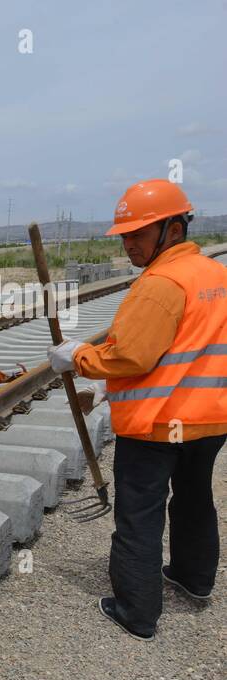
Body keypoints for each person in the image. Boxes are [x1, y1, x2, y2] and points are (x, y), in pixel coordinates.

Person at [49, 180, 226, 640]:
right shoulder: (214, 275)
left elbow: (131, 356)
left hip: (156, 426)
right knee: (193, 499)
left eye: (139, 234)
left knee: (139, 515)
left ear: (172, 228)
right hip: (210, 417)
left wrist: (79, 358)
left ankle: (136, 610)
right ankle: (194, 578)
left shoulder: (160, 284)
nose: (129, 244)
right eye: (125, 236)